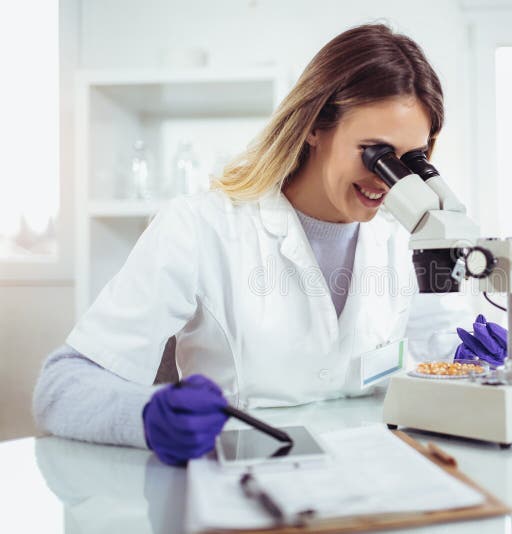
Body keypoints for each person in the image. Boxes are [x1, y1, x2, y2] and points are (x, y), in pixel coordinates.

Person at [32, 24, 484, 465]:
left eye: (410, 160)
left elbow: (431, 353)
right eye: (375, 153)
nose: (390, 180)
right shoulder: (200, 226)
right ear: (315, 127)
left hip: (367, 486)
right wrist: (146, 416)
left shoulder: (404, 238)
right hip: (242, 487)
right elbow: (61, 386)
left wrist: (473, 368)